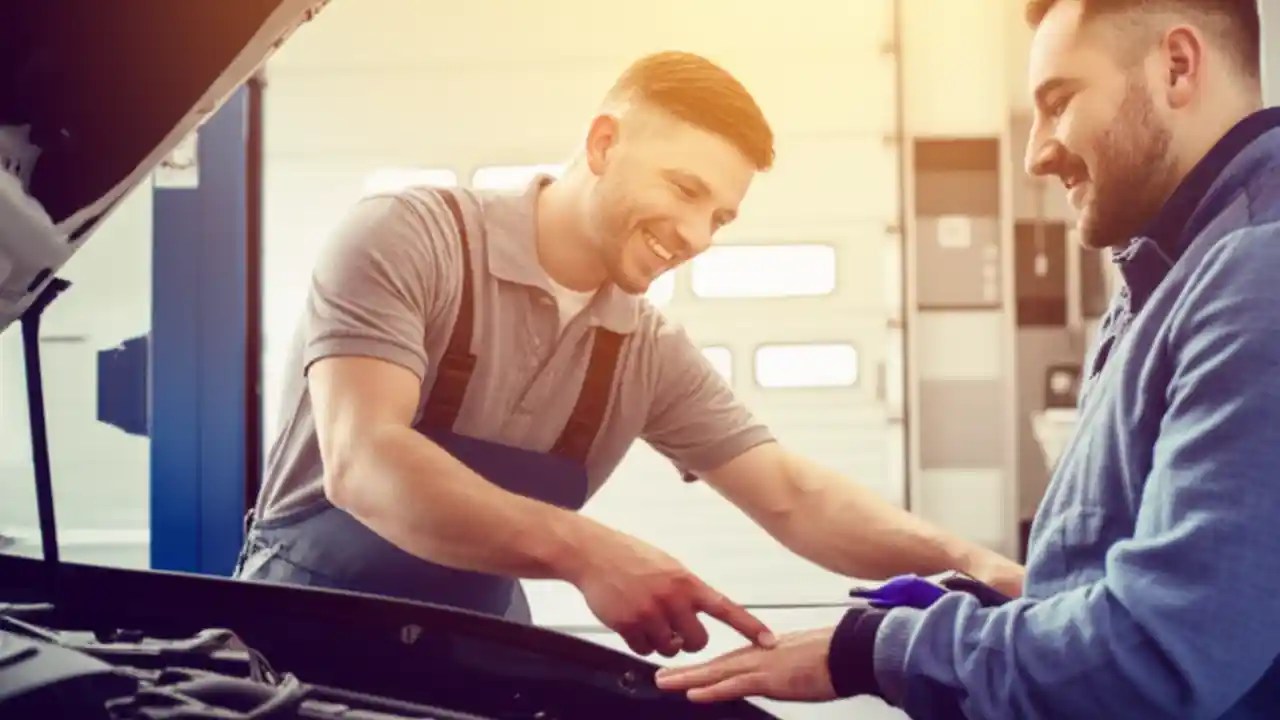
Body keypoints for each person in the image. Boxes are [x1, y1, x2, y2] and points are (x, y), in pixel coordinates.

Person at [233, 50, 1024, 660]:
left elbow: (792, 494)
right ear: (604, 143)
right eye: (684, 189)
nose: (696, 236)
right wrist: (589, 550)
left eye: (720, 216)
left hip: (470, 652)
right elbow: (364, 462)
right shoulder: (410, 238)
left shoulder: (645, 351)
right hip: (301, 635)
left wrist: (972, 561)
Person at [655, 0, 1280, 715]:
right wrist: (988, 601)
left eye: (1059, 102)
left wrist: (873, 650)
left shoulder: (1260, 272)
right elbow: (1113, 577)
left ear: (1177, 65)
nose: (1036, 152)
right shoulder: (1164, 271)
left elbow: (1156, 655)